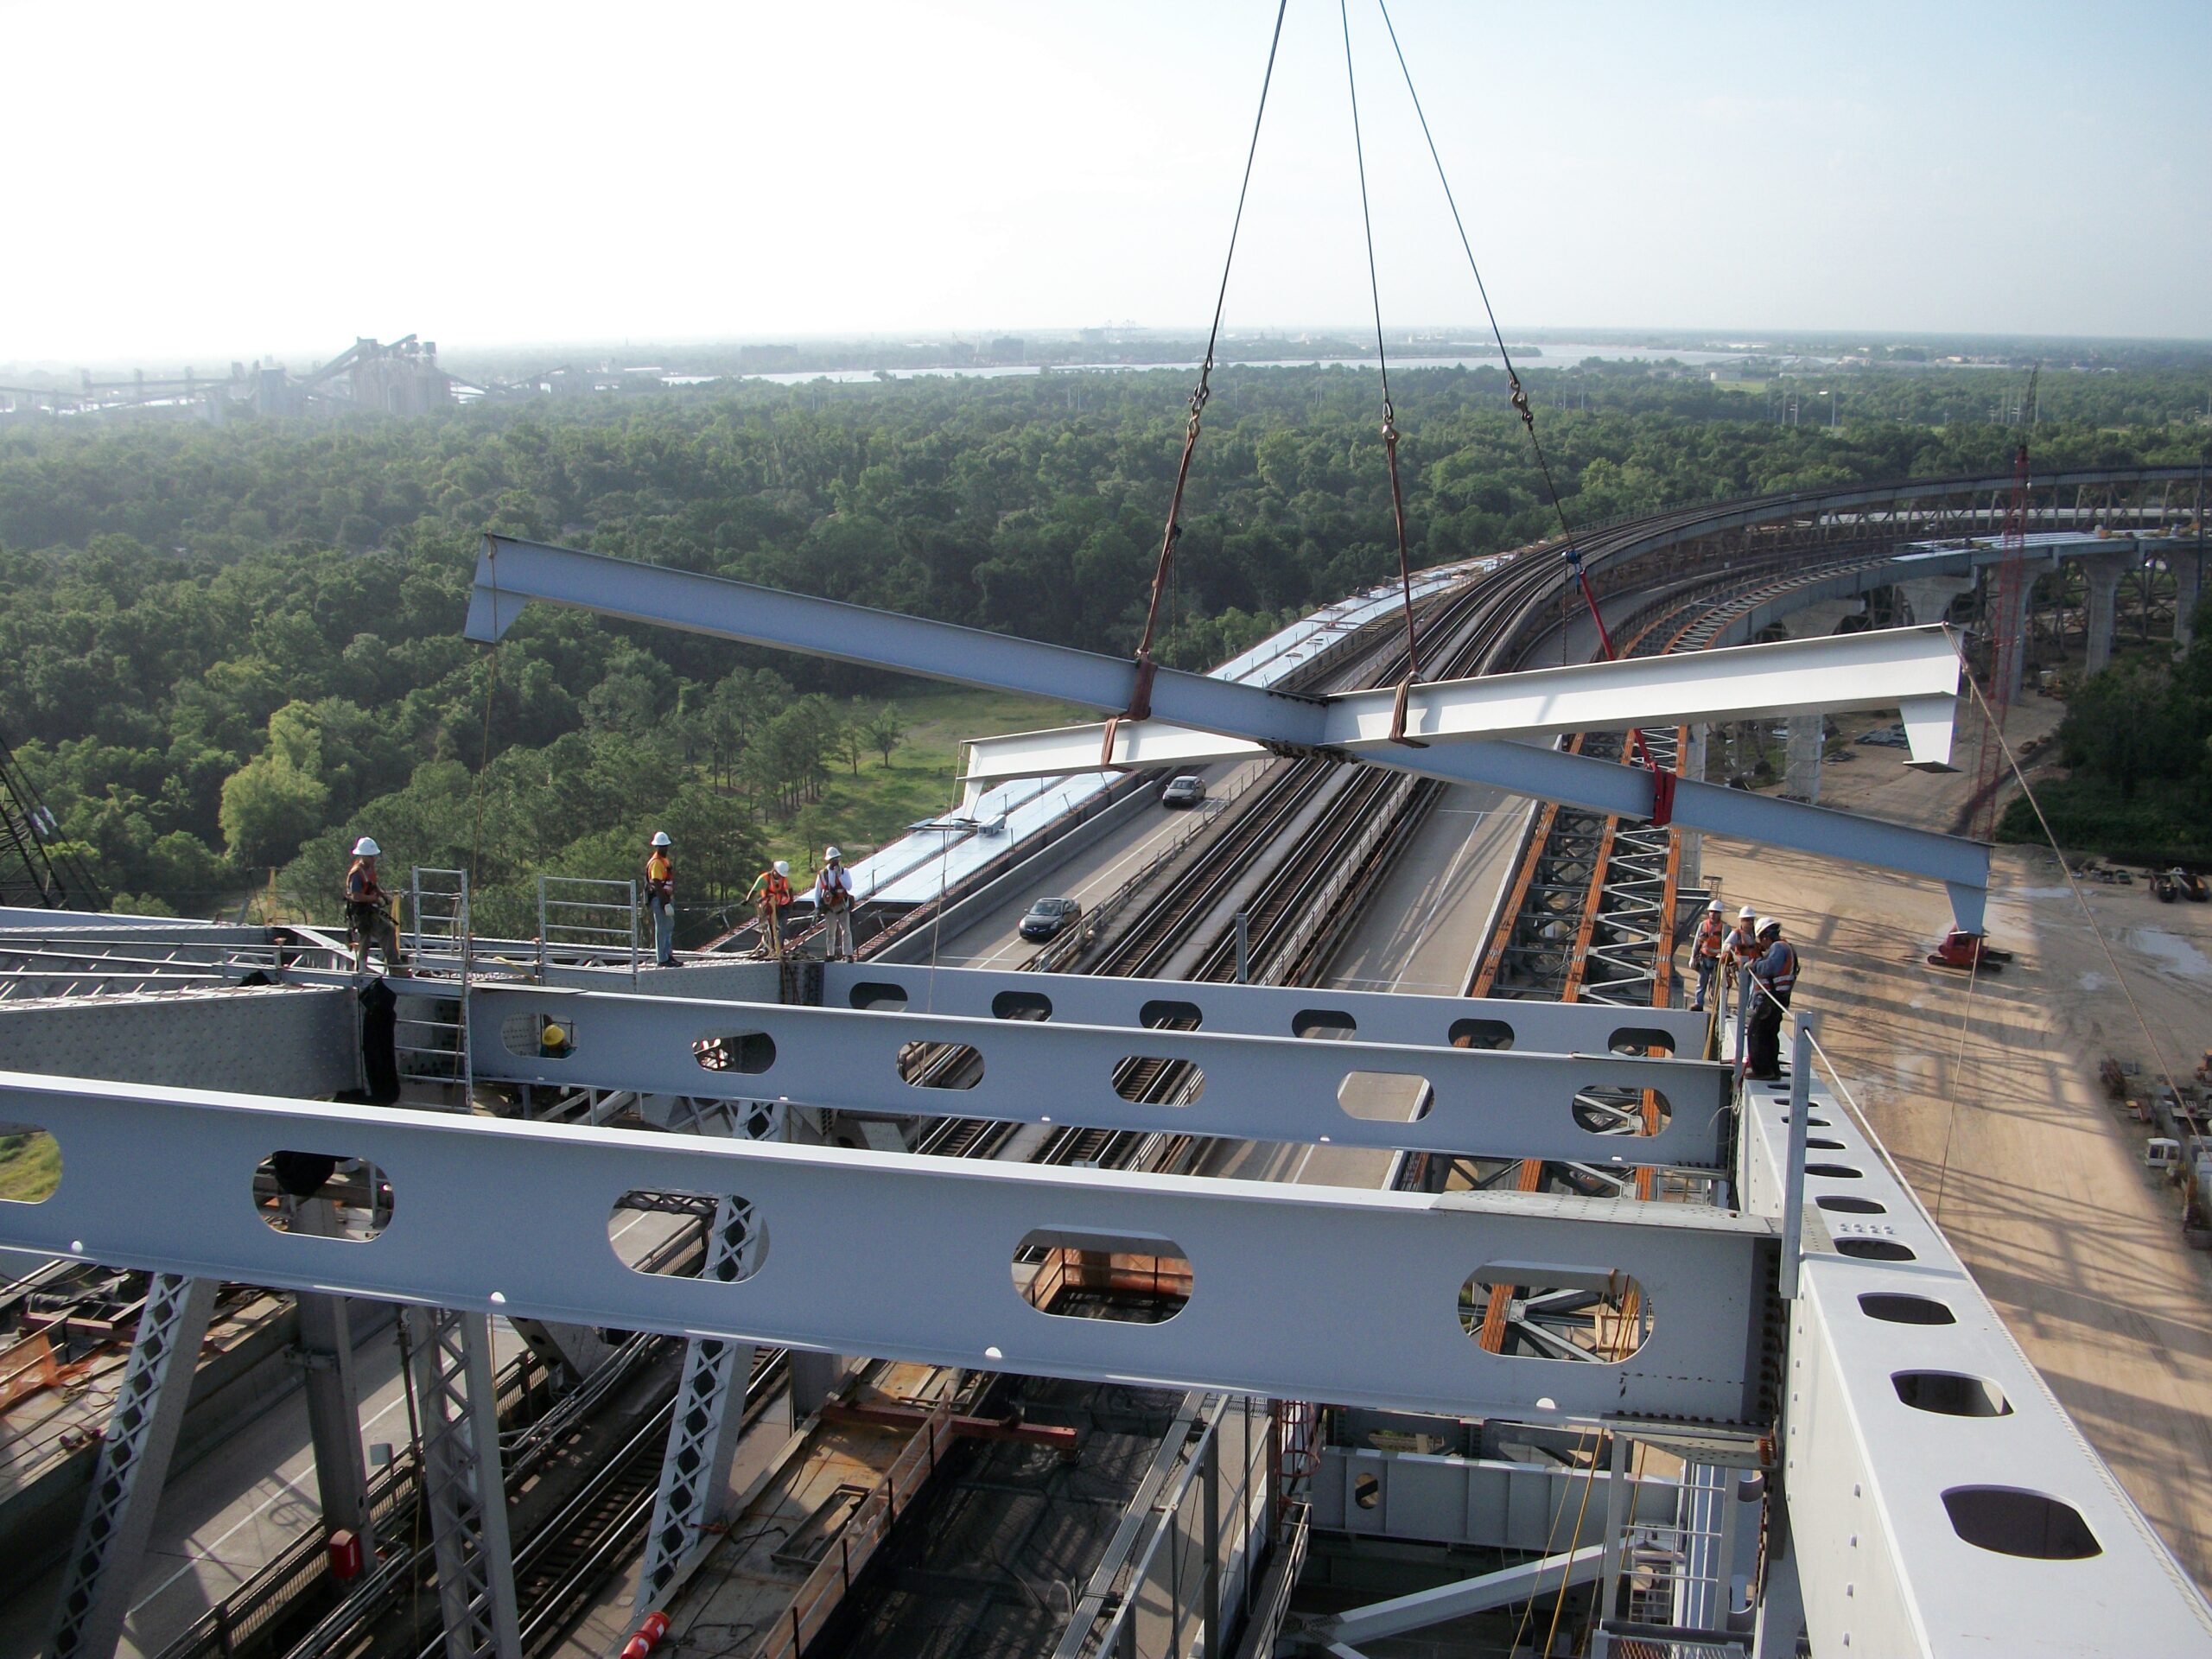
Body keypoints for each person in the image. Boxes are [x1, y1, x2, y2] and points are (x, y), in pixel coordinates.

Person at [1745, 917, 1800, 1081]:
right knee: (1769, 1033)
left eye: (1762, 941)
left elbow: (1770, 967)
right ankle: (1773, 1070)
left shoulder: (1778, 947)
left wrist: (1754, 965)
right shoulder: (1785, 947)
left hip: (1772, 999)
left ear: (1766, 937)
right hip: (1779, 998)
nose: (1762, 945)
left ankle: (1763, 1070)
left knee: (1756, 1031)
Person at [344, 836, 404, 974]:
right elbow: (356, 896)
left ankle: (361, 967)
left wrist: (384, 896)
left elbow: (373, 885)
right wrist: (374, 899)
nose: (373, 859)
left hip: (368, 910)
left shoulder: (368, 869)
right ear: (363, 856)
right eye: (371, 857)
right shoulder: (356, 874)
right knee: (385, 931)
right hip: (361, 912)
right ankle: (394, 967)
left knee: (366, 937)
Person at [748, 859, 793, 958]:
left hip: (782, 906)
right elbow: (754, 890)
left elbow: (790, 890)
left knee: (782, 928)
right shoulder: (764, 878)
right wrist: (747, 900)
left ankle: (779, 949)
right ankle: (768, 948)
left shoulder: (784, 879)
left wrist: (791, 903)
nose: (781, 877)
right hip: (769, 907)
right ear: (775, 871)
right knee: (771, 928)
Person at [817, 845, 855, 962]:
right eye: (833, 859)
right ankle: (830, 954)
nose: (835, 862)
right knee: (830, 931)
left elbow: (848, 886)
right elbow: (818, 891)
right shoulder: (823, 874)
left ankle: (848, 954)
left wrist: (839, 875)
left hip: (842, 904)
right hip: (829, 906)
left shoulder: (844, 872)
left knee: (846, 930)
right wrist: (817, 907)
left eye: (837, 859)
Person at [645, 831, 677, 967]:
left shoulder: (664, 860)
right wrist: (665, 904)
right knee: (662, 928)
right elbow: (657, 884)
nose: (664, 848)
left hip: (666, 898)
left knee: (668, 927)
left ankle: (668, 955)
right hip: (660, 899)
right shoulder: (657, 862)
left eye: (665, 846)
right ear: (657, 847)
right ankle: (662, 959)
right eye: (662, 846)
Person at [1690, 897, 1726, 1013]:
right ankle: (1698, 1003)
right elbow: (1697, 942)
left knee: (1716, 986)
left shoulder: (1724, 928)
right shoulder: (1703, 925)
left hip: (1717, 961)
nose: (1713, 914)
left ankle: (1716, 1007)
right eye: (1711, 912)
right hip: (1704, 958)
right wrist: (1693, 957)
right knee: (1701, 983)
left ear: (1720, 914)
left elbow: (1727, 946)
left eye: (1716, 912)